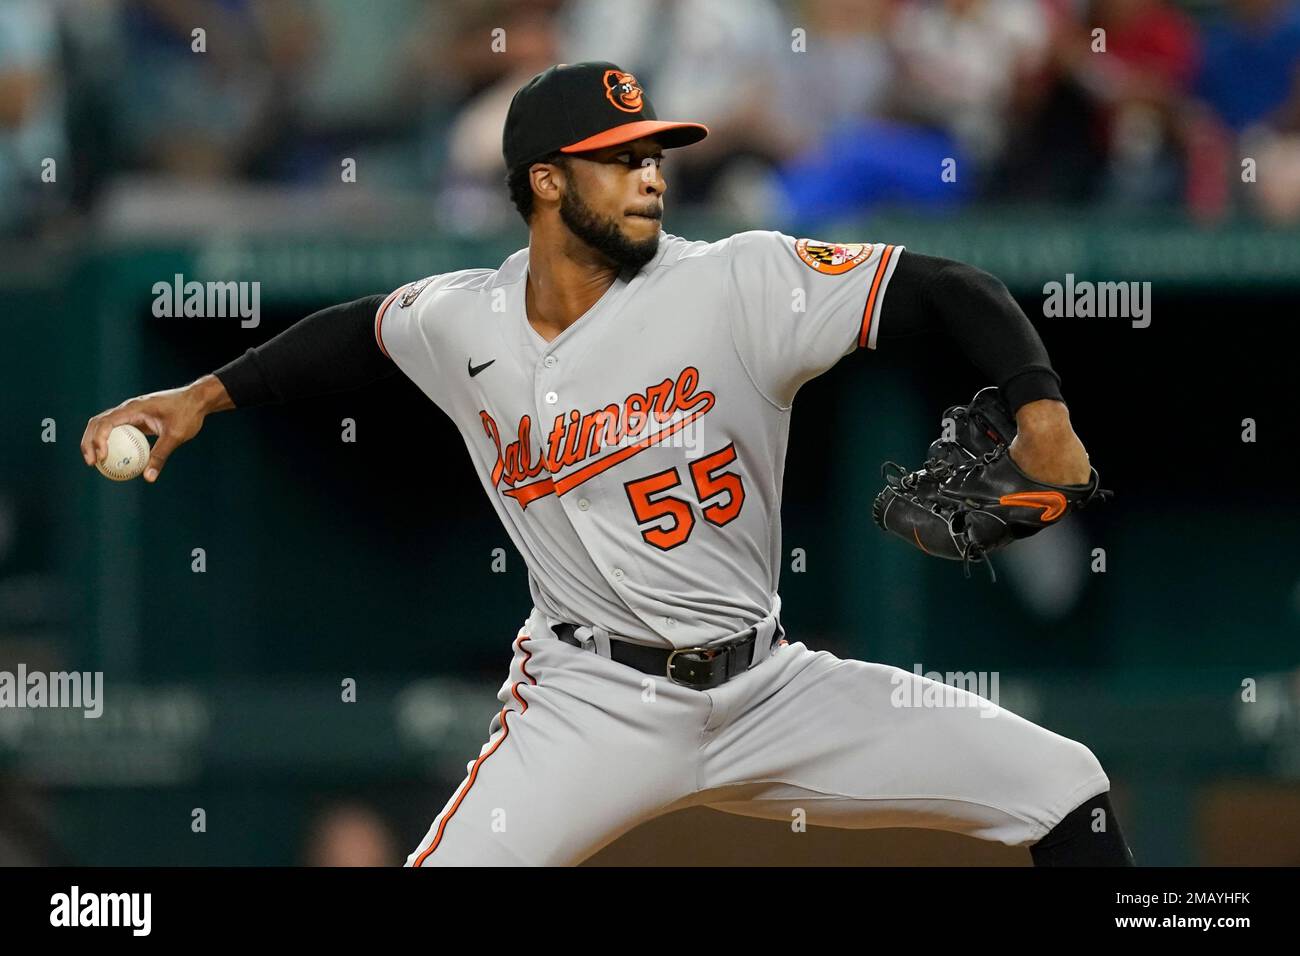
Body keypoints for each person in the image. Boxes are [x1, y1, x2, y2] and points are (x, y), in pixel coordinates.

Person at [82, 62, 1134, 867]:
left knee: (1062, 782)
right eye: (619, 157)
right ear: (545, 181)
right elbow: (358, 334)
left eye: (655, 155)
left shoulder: (737, 281)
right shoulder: (464, 318)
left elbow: (947, 285)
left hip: (769, 684)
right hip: (589, 701)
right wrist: (198, 395)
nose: (650, 175)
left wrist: (1041, 409)